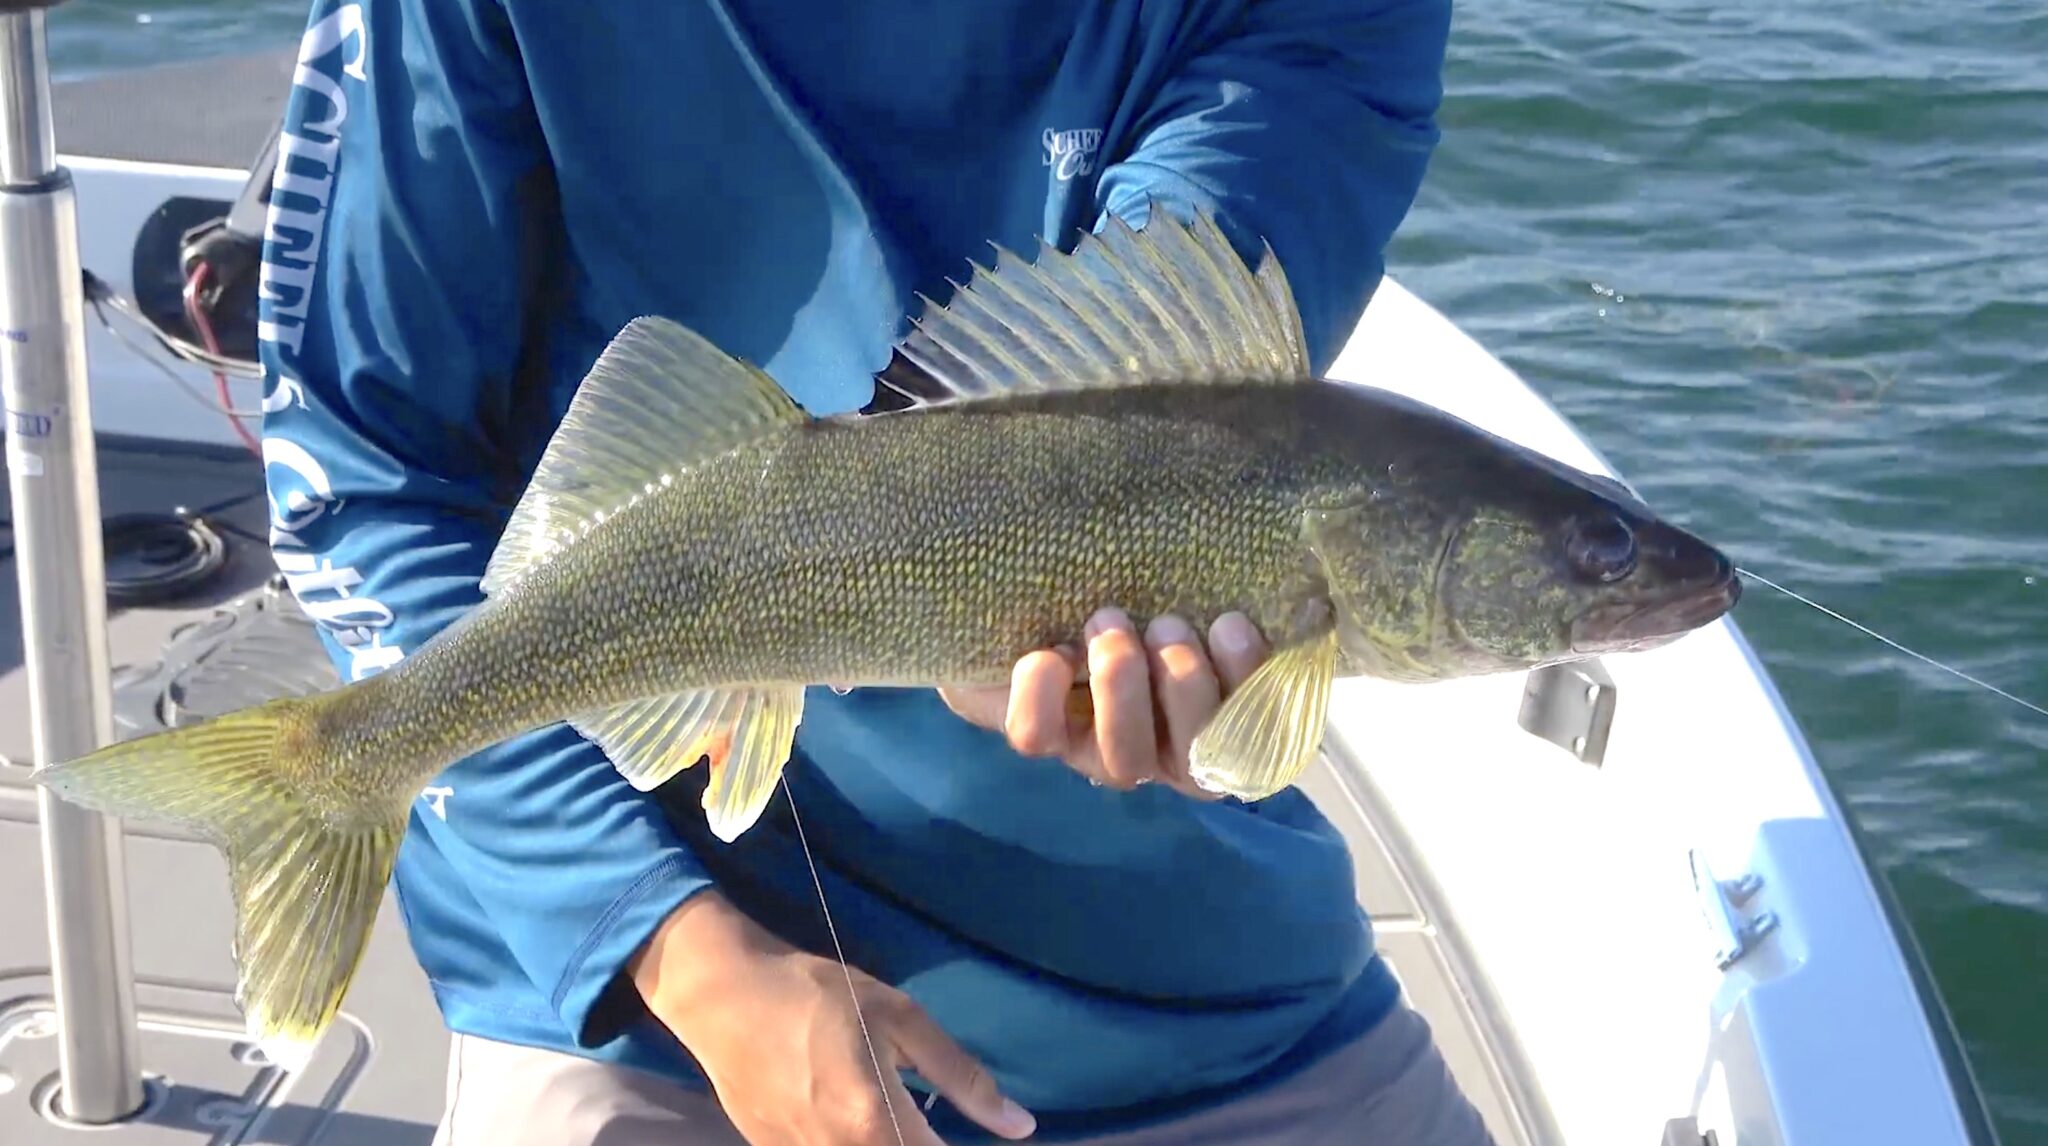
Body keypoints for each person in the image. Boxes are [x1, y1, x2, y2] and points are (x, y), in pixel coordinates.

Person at [254, 0, 1486, 1142]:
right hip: (643, 979)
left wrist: (1047, 638)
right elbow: (366, 468)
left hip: (1193, 982)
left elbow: (1176, 369)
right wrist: (684, 956)